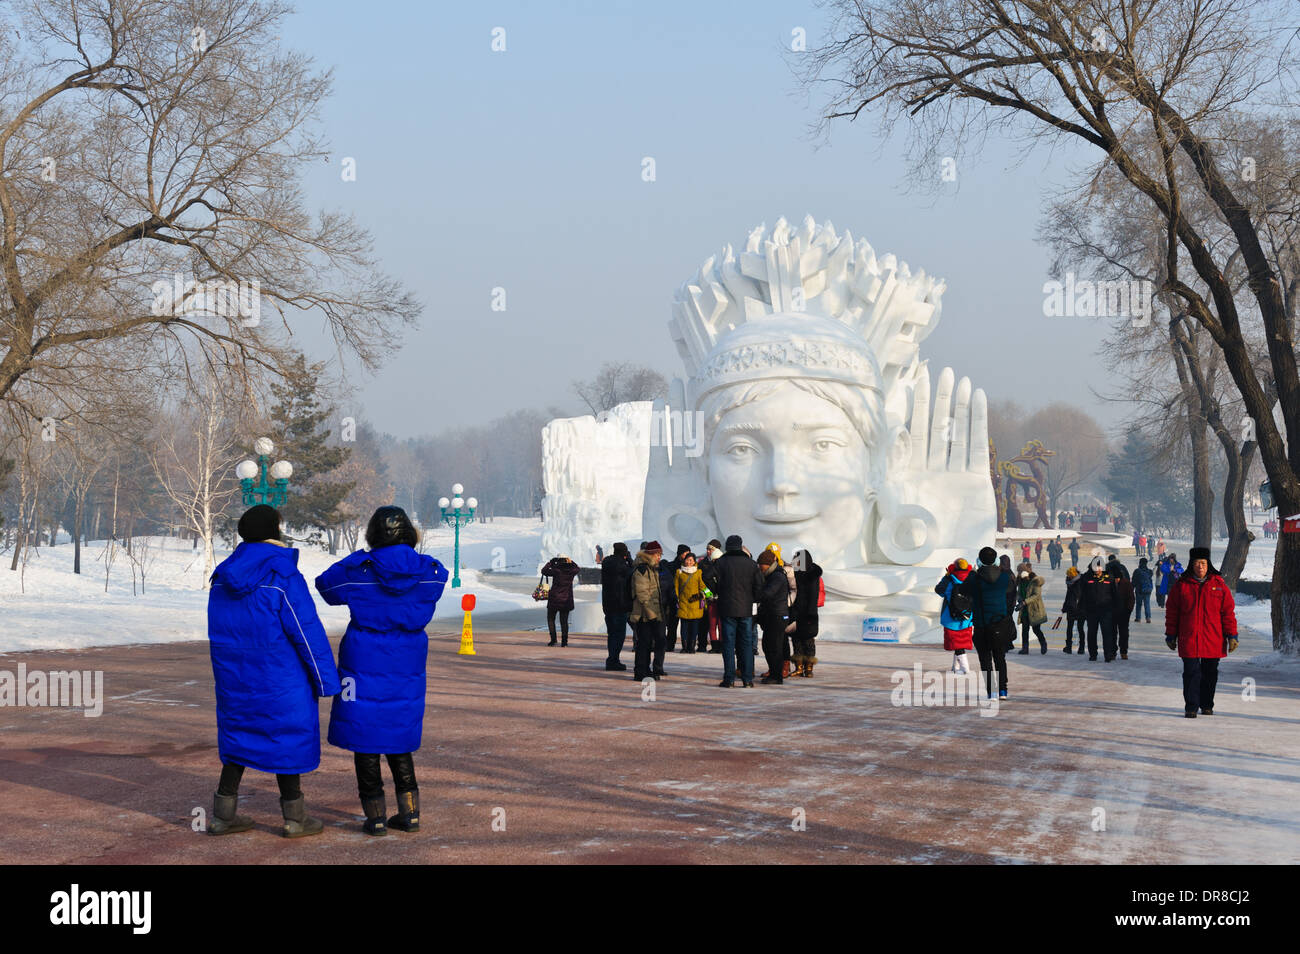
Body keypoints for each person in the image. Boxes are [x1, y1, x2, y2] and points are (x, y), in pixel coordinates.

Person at [206, 504, 342, 838]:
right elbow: (305, 630)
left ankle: (223, 816)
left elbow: (220, 635)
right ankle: (295, 818)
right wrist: (327, 681)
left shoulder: (222, 576)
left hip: (236, 679)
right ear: (274, 531)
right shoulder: (282, 575)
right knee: (286, 739)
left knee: (238, 738)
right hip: (281, 678)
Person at [317, 506, 448, 836]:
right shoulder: (427, 572)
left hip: (363, 661)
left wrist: (362, 554)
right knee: (399, 733)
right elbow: (441, 576)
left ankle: (375, 817)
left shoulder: (360, 571)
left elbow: (325, 586)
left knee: (365, 736)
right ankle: (411, 813)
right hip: (407, 662)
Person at [1165, 547, 1238, 717]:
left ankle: (1206, 704)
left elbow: (1228, 613)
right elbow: (1172, 613)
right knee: (1191, 672)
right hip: (1189, 638)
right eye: (1197, 563)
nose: (1200, 567)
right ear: (1192, 565)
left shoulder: (1219, 585)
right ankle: (1191, 706)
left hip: (1213, 638)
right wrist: (1171, 634)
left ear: (1208, 565)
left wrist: (1232, 635)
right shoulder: (1181, 586)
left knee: (1209, 673)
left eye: (1203, 563)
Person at [959, 547, 1015, 700]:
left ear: (979, 561)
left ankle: (992, 692)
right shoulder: (1004, 578)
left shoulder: (974, 579)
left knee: (985, 661)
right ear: (996, 560)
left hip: (981, 625)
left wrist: (973, 573)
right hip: (1000, 624)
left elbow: (963, 590)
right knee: (1000, 658)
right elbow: (1010, 588)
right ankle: (1003, 690)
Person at [714, 535, 762, 688]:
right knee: (746, 644)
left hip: (727, 608)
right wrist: (752, 598)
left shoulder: (721, 562)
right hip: (746, 609)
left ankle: (729, 679)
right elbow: (760, 585)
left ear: (727, 547)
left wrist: (717, 590)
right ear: (741, 546)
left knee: (728, 644)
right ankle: (747, 679)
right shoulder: (751, 564)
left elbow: (706, 576)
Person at [630, 541, 667, 681]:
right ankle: (640, 671)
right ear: (651, 554)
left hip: (651, 613)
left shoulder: (651, 568)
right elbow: (643, 594)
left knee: (648, 642)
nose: (659, 557)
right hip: (644, 615)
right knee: (644, 643)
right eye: (658, 554)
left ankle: (645, 669)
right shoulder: (642, 570)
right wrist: (653, 616)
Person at [756, 550, 790, 684]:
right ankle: (774, 672)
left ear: (768, 564)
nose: (760, 567)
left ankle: (777, 676)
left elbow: (768, 594)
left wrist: (756, 594)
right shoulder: (771, 575)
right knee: (768, 645)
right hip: (772, 616)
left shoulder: (777, 576)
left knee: (774, 647)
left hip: (777, 616)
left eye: (761, 565)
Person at [1078, 556, 1121, 662]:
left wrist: (1116, 609)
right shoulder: (1087, 577)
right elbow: (1081, 595)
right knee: (1092, 633)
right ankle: (1093, 654)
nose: (1098, 570)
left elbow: (1115, 594)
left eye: (1099, 567)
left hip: (1106, 610)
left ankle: (1108, 654)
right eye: (1095, 567)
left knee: (1107, 633)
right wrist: (1081, 609)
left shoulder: (1109, 577)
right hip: (1091, 611)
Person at [935, 558, 974, 673]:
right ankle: (956, 667)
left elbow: (938, 590)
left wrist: (947, 575)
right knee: (959, 643)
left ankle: (965, 668)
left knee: (957, 644)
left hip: (950, 617)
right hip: (967, 617)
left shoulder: (949, 579)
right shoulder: (972, 578)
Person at [601, 542, 634, 670]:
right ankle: (613, 660)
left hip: (608, 604)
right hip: (620, 604)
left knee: (612, 634)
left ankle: (612, 659)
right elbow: (632, 572)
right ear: (624, 553)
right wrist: (630, 560)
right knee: (619, 635)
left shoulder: (607, 563)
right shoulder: (621, 565)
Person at [789, 549, 822, 677]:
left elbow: (813, 597)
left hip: (808, 614)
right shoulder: (796, 574)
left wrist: (810, 614)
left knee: (808, 641)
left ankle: (808, 669)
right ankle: (799, 667)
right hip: (796, 613)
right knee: (796, 640)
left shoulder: (811, 576)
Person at [540, 554, 581, 647]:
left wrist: (550, 563)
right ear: (567, 560)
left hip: (554, 598)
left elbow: (544, 571)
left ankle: (553, 640)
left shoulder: (556, 570)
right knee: (564, 621)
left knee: (551, 619)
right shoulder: (571, 571)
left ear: (558, 560)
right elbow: (577, 567)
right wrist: (571, 561)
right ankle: (564, 642)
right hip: (566, 600)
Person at [674, 551, 706, 654]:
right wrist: (677, 599)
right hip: (683, 604)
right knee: (684, 628)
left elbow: (704, 588)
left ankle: (691, 647)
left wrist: (703, 595)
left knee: (694, 628)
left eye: (691, 560)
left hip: (695, 604)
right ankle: (684, 647)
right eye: (687, 560)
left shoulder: (698, 572)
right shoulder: (679, 572)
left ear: (694, 561)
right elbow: (676, 588)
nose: (689, 562)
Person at [659, 544, 688, 652]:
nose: (686, 556)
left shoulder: (695, 570)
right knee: (671, 623)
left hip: (688, 602)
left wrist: (706, 595)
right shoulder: (670, 566)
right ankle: (668, 644)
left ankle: (688, 646)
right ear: (680, 554)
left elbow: (702, 585)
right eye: (685, 553)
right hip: (671, 600)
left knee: (687, 625)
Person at [698, 539, 724, 652]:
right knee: (711, 623)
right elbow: (702, 582)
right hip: (710, 597)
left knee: (721, 623)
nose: (708, 551)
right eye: (707, 549)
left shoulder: (723, 564)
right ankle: (714, 645)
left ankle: (722, 645)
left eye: (711, 549)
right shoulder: (702, 563)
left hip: (722, 598)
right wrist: (709, 595)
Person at [1016, 564, 1048, 654]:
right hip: (1025, 610)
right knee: (1025, 630)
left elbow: (1036, 595)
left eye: (1019, 571)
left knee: (1036, 629)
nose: (1018, 574)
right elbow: (1018, 593)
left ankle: (1043, 643)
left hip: (1034, 609)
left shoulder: (1034, 581)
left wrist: (1025, 602)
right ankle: (1025, 648)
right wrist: (1019, 599)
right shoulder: (1020, 581)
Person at [1107, 555, 1134, 659]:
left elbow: (1131, 598)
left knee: (1123, 633)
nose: (1116, 580)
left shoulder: (1126, 584)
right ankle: (1113, 652)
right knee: (1113, 633)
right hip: (1112, 612)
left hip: (1123, 612)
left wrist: (1128, 610)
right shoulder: (1110, 583)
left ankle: (1123, 651)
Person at [1061, 566, 1085, 654]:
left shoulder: (1079, 582)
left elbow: (1077, 596)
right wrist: (1064, 607)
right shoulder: (1071, 583)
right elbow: (1068, 596)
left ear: (1073, 575)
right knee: (1071, 628)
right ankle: (1069, 647)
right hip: (1072, 608)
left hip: (1079, 608)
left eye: (1070, 575)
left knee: (1079, 628)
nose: (1068, 577)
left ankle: (1081, 647)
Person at [1132, 557, 1154, 624]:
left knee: (1139, 604)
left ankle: (1138, 618)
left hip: (1139, 590)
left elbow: (1134, 581)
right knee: (1147, 604)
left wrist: (1132, 588)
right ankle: (1148, 618)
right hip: (1147, 590)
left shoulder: (1137, 571)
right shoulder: (1149, 571)